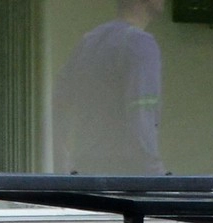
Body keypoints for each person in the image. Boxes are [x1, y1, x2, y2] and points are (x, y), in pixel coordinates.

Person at [53, 0, 166, 175]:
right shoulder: (140, 44)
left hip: (86, 171)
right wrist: (157, 179)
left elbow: (58, 103)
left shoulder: (88, 42)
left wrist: (62, 164)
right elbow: (142, 116)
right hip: (126, 175)